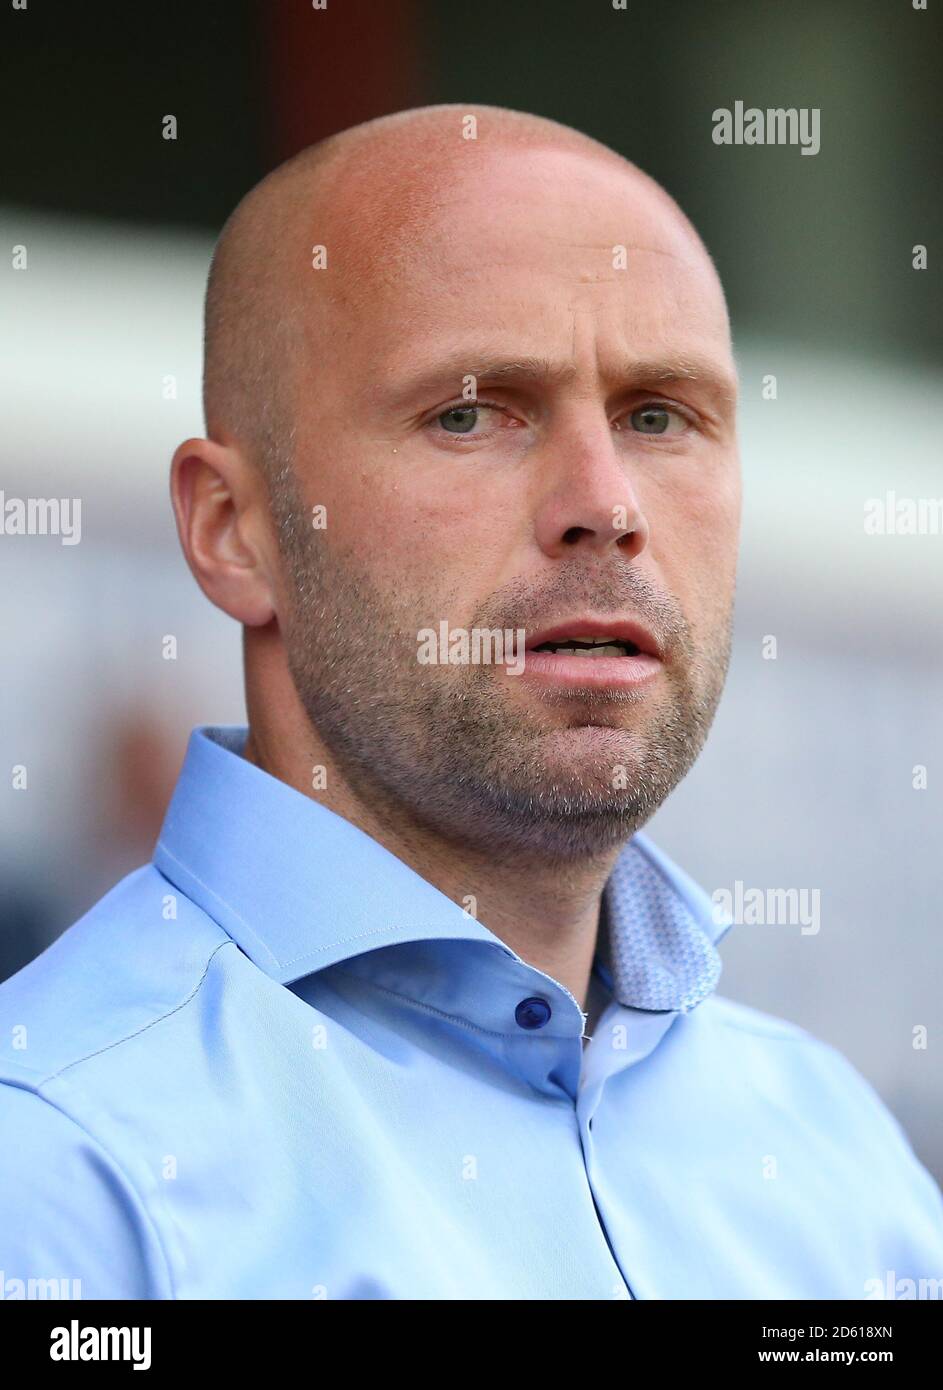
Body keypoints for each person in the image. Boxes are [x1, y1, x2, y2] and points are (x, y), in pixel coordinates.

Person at [1, 103, 940, 1301]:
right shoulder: (62, 1168)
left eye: (660, 415)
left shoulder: (838, 1162)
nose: (603, 504)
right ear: (234, 530)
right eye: (469, 412)